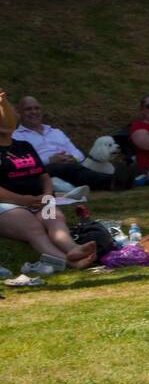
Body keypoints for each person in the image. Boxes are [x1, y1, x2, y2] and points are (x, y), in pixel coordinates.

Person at [0, 91, 98, 272]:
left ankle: (73, 249)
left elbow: (43, 175)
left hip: (37, 200)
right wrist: (26, 201)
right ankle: (68, 261)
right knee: (33, 228)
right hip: (7, 205)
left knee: (55, 219)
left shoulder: (23, 146)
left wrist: (46, 195)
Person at [13, 96, 121, 192]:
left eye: (37, 108)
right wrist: (49, 160)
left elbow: (78, 154)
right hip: (44, 170)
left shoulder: (56, 132)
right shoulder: (16, 136)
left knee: (75, 167)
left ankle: (117, 178)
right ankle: (113, 182)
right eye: (28, 109)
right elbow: (21, 162)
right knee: (68, 169)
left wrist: (72, 158)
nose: (34, 112)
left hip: (70, 165)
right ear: (19, 113)